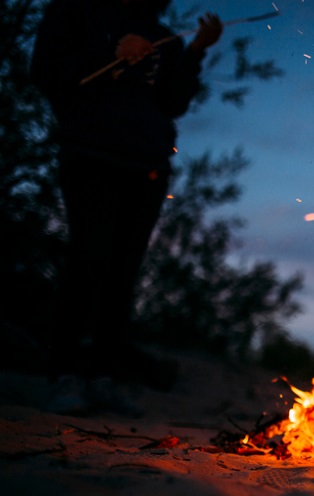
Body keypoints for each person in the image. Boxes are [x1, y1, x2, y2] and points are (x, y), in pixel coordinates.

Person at [30, 0, 222, 395]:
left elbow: (173, 103)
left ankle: (103, 376)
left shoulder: (165, 37)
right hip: (91, 157)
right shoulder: (77, 12)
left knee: (123, 273)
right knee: (87, 259)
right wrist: (111, 53)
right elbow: (47, 74)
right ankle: (62, 375)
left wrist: (196, 51)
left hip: (147, 169)